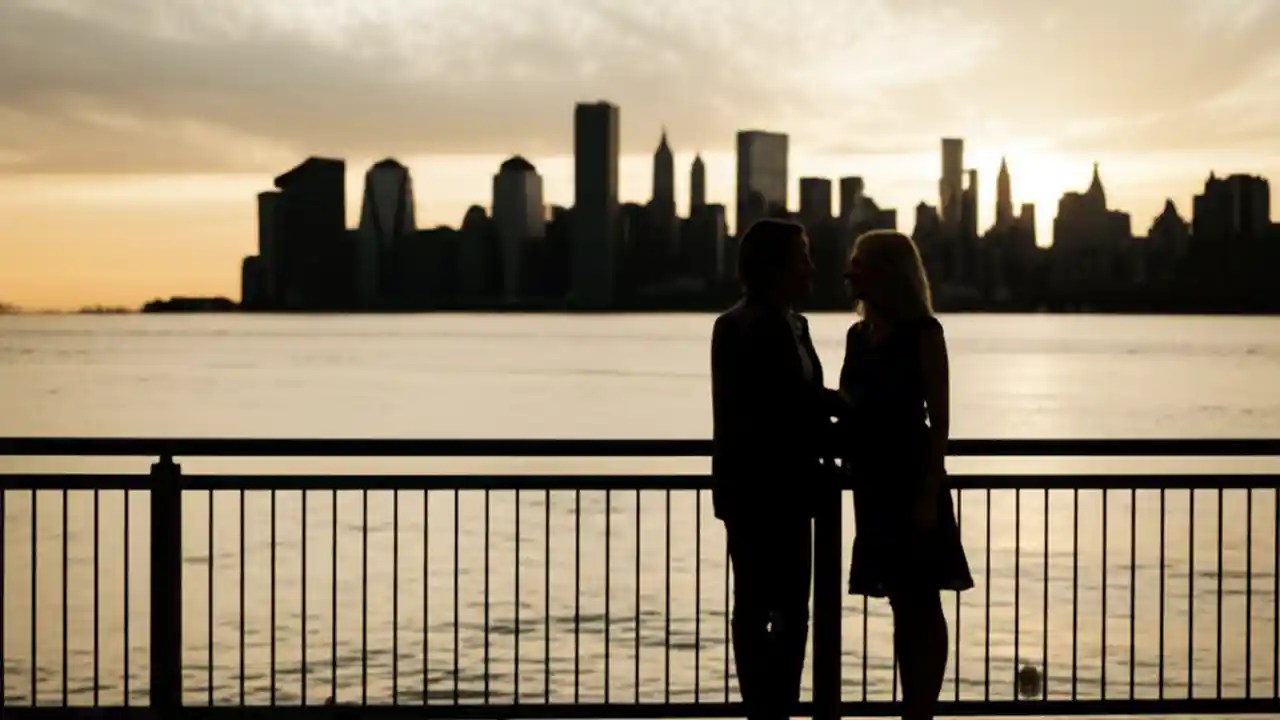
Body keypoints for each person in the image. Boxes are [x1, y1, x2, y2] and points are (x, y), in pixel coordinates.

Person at [710, 219, 842, 720]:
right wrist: (848, 412)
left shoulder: (797, 324)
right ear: (776, 265)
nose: (811, 267)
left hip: (795, 487)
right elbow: (780, 404)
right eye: (802, 256)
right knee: (758, 608)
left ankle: (778, 707)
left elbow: (802, 401)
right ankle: (764, 714)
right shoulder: (739, 325)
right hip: (756, 489)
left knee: (791, 611)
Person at [839, 230, 973, 720]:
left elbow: (939, 419)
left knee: (923, 598)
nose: (850, 272)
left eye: (859, 264)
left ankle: (922, 709)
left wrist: (928, 492)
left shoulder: (923, 332)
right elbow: (851, 405)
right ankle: (911, 705)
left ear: (886, 273)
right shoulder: (857, 336)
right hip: (872, 481)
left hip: (912, 477)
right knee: (901, 598)